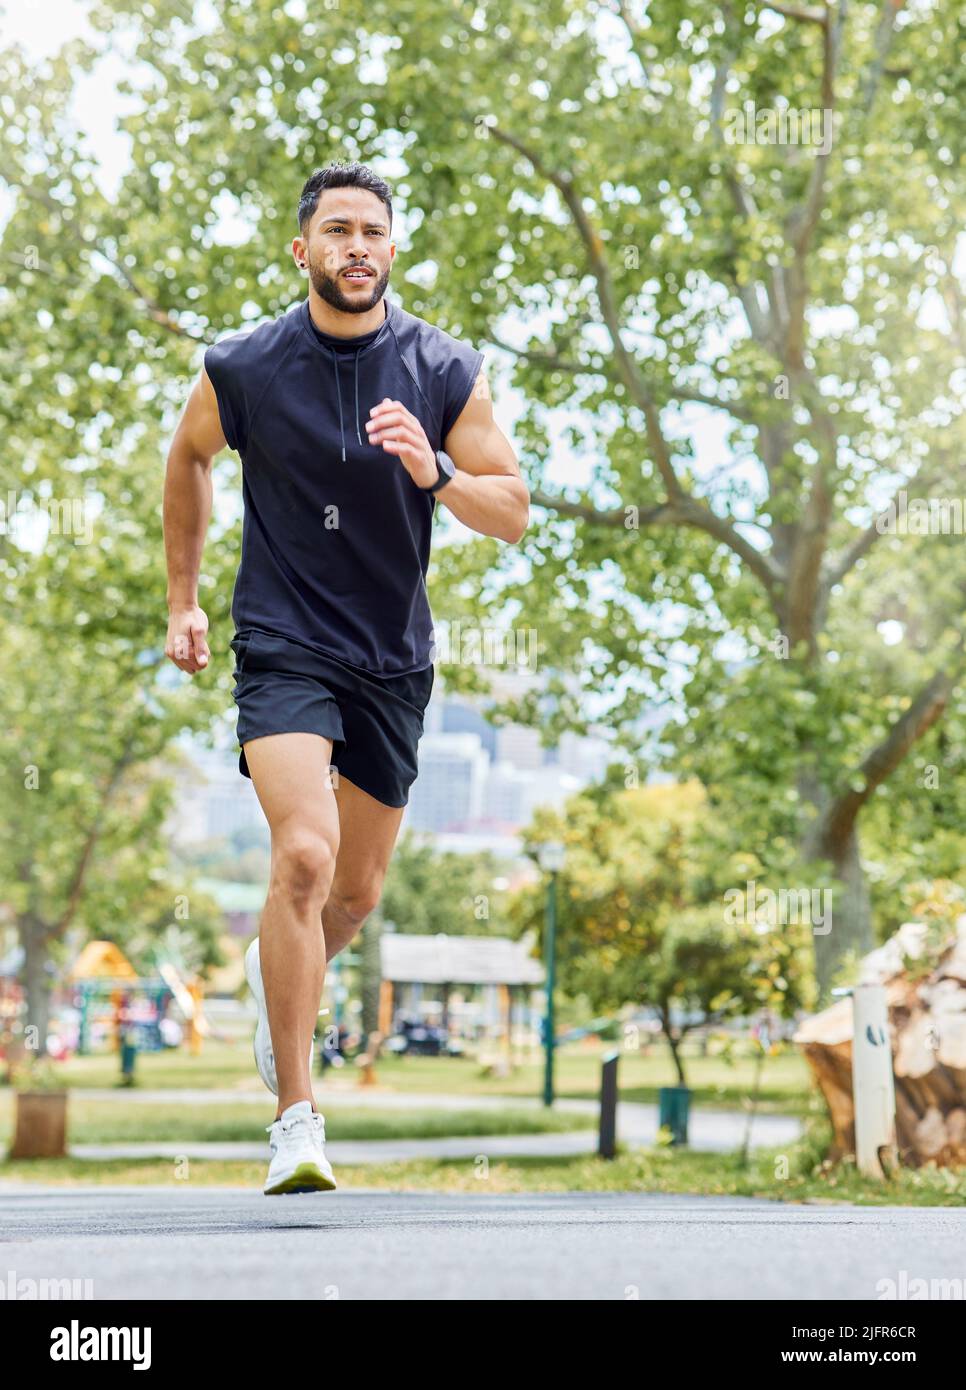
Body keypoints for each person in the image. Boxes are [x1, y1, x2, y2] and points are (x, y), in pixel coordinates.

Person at [163, 162, 527, 1195]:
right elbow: (187, 459)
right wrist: (184, 598)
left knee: (355, 895)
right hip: (282, 643)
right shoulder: (242, 365)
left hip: (391, 660)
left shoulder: (445, 367)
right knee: (307, 858)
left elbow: (512, 508)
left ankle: (278, 971)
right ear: (302, 250)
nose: (355, 246)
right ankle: (296, 1117)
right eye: (337, 230)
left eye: (372, 231)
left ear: (392, 251)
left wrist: (435, 471)